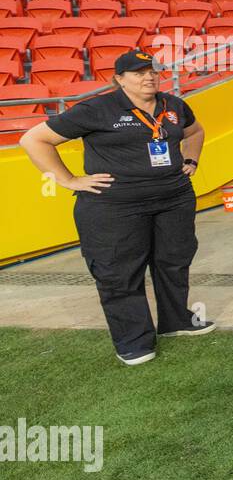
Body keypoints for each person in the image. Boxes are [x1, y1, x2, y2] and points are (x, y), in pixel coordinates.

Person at [19, 50, 212, 365]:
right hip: (114, 206)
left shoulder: (173, 105)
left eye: (152, 71)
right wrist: (68, 179)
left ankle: (176, 320)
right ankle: (134, 341)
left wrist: (191, 159)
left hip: (174, 198)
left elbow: (195, 131)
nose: (148, 77)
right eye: (138, 72)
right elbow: (34, 140)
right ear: (119, 79)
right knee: (120, 272)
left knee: (174, 261)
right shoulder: (97, 108)